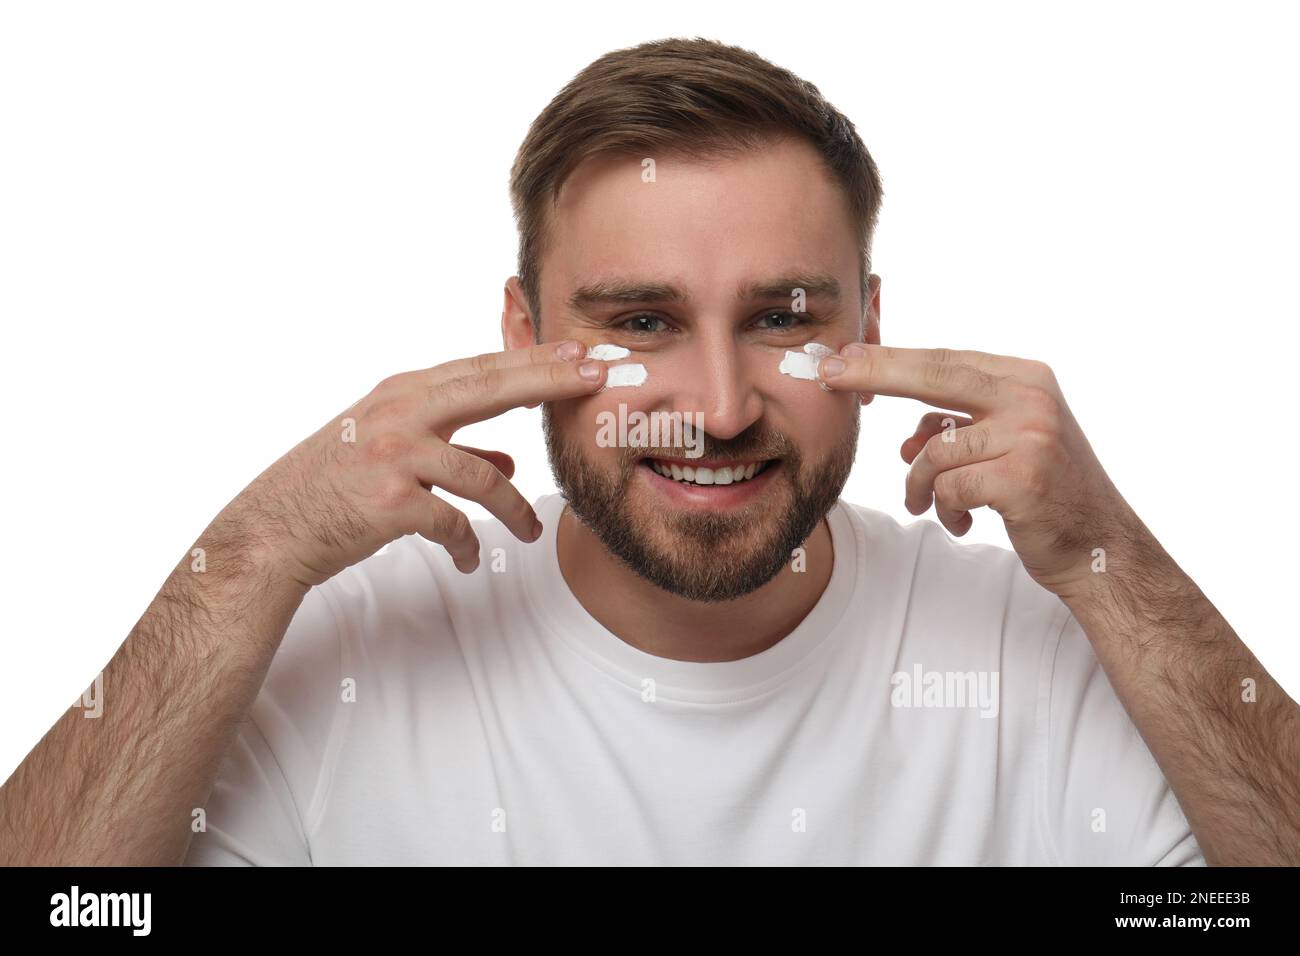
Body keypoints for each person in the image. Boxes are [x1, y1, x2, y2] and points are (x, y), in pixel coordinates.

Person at [2, 37, 1295, 866]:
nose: (721, 405)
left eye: (785, 319)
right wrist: (246, 560)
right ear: (522, 333)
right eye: (641, 322)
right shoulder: (344, 654)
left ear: (874, 324)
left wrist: (1118, 562)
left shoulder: (1036, 645)